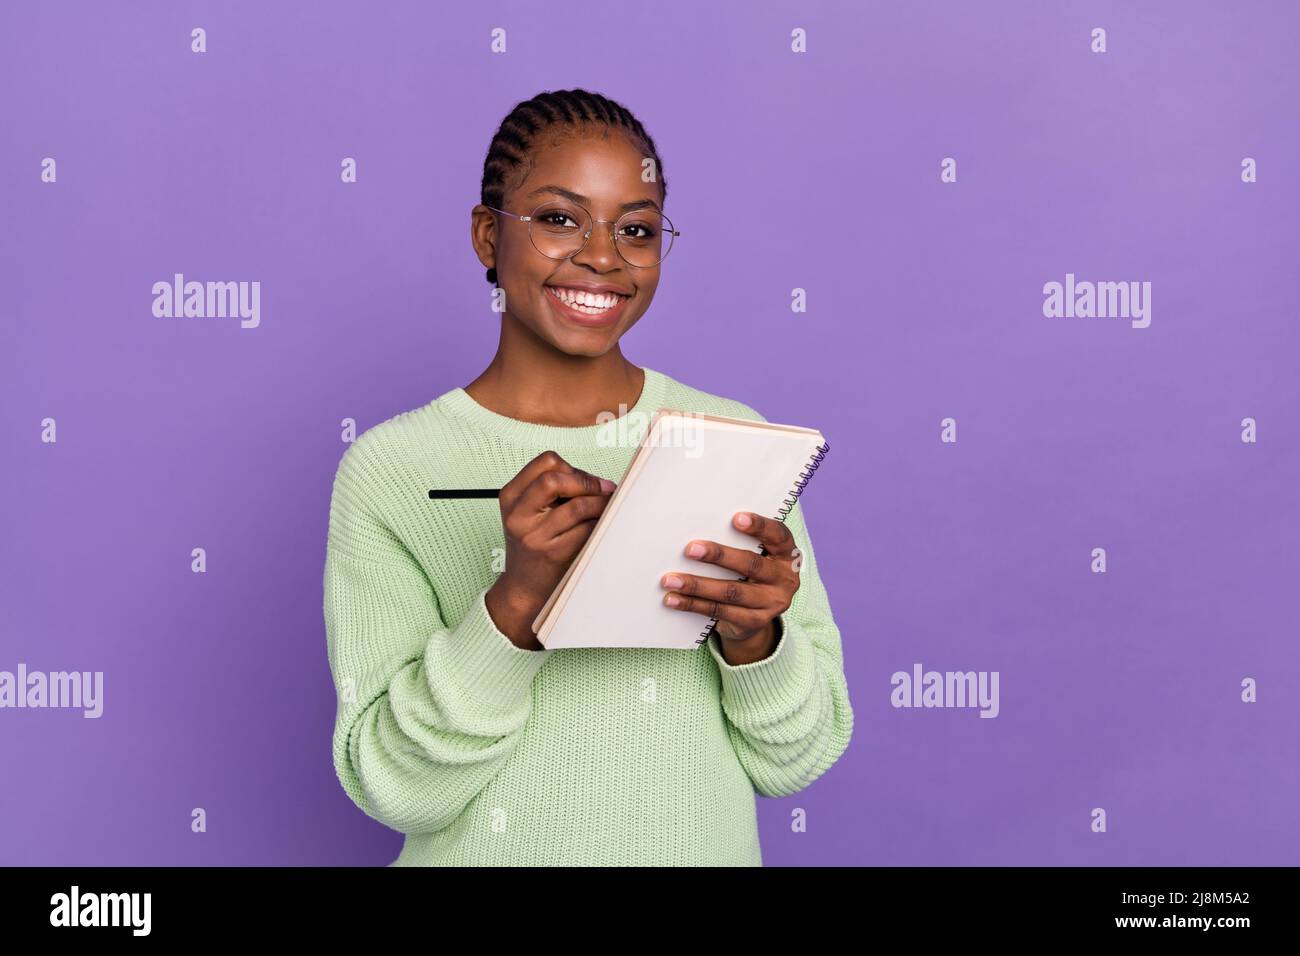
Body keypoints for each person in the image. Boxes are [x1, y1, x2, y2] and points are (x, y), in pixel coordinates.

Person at [323, 88, 853, 866]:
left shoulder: (733, 442)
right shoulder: (391, 470)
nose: (602, 255)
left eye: (635, 229)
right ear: (485, 236)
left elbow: (798, 760)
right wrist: (516, 604)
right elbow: (396, 788)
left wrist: (755, 640)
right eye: (559, 219)